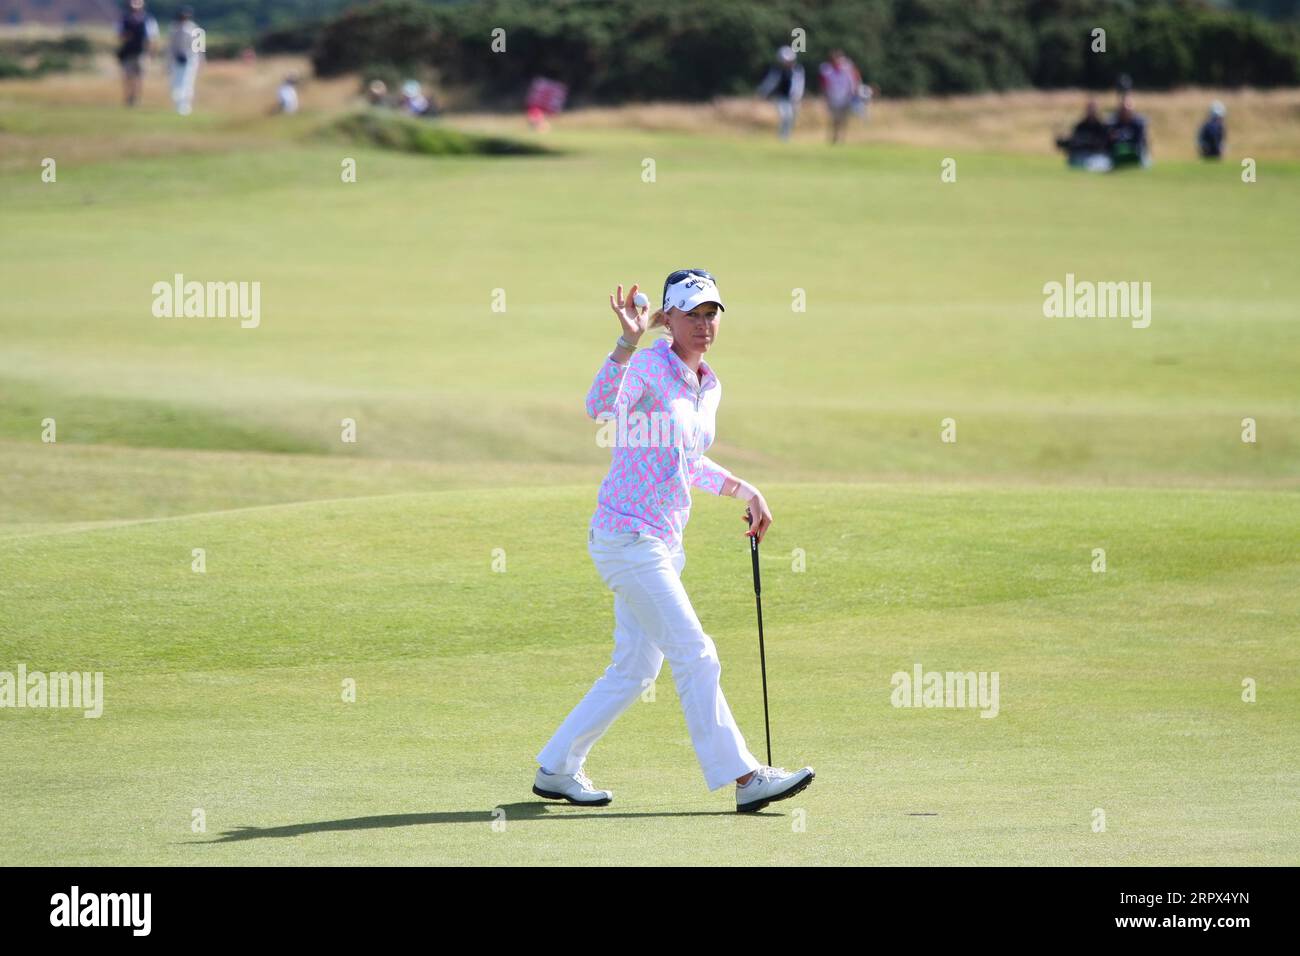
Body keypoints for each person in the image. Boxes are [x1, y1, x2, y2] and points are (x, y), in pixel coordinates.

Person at [533, 270, 816, 814]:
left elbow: (686, 460)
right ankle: (745, 777)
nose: (705, 325)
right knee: (697, 653)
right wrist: (626, 341)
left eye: (712, 314)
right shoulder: (645, 366)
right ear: (670, 318)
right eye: (693, 314)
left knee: (635, 671)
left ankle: (557, 769)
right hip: (626, 538)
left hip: (661, 543)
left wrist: (742, 488)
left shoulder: (708, 384)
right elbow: (598, 405)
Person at [756, 45, 805, 141]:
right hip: (781, 97)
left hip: (794, 98)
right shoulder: (777, 70)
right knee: (785, 116)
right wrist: (763, 92)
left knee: (791, 118)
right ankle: (783, 137)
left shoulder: (797, 70)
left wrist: (798, 95)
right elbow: (770, 82)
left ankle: (786, 136)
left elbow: (800, 84)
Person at [116, 0, 158, 108]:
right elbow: (119, 36)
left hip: (141, 53)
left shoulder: (147, 19)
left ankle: (136, 99)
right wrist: (126, 36)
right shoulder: (124, 19)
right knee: (128, 77)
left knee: (139, 77)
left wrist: (151, 53)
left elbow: (151, 38)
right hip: (128, 53)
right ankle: (128, 98)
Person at [1055, 97, 1112, 171]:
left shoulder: (1102, 126)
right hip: (1082, 155)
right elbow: (1074, 143)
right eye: (1090, 109)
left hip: (1097, 155)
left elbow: (1104, 144)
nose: (1091, 111)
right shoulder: (1080, 126)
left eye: (1093, 109)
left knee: (1101, 162)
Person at [819, 48, 862, 144]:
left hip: (846, 97)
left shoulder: (848, 68)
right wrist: (825, 96)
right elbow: (824, 85)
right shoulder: (827, 70)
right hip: (833, 97)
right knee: (835, 118)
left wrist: (854, 92)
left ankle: (842, 137)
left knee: (843, 118)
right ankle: (834, 136)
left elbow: (854, 80)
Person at [167, 7, 203, 116]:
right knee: (176, 83)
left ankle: (185, 106)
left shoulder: (195, 29)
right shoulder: (173, 29)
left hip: (190, 61)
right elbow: (170, 48)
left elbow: (198, 49)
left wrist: (199, 61)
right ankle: (179, 105)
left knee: (187, 83)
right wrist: (169, 61)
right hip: (176, 61)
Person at [1107, 91, 1150, 169]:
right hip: (1119, 151)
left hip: (1135, 150)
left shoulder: (1138, 123)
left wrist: (1128, 146)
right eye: (1123, 109)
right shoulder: (1115, 122)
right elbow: (1111, 140)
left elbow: (1139, 142)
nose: (1125, 111)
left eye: (1127, 108)